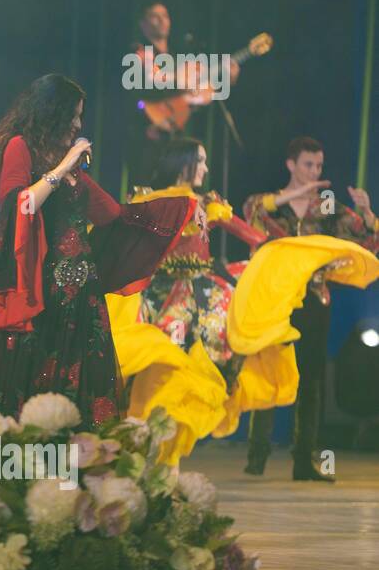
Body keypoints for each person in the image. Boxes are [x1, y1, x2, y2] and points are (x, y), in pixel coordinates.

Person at [0, 74, 194, 477]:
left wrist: (174, 214)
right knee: (30, 391)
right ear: (51, 113)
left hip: (81, 301)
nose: (78, 126)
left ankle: (75, 482)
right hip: (39, 297)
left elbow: (114, 215)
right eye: (73, 116)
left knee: (78, 395)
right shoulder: (22, 149)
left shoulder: (69, 165)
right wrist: (64, 166)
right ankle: (19, 478)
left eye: (80, 118)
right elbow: (20, 206)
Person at [106, 138, 296, 465]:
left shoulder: (206, 204)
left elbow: (257, 239)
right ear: (184, 164)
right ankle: (137, 450)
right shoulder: (151, 201)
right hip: (159, 299)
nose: (207, 168)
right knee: (160, 369)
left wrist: (282, 253)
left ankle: (167, 460)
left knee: (191, 374)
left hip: (202, 300)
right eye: (202, 161)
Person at [241, 136, 379, 481]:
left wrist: (366, 211)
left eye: (319, 165)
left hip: (315, 298)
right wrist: (293, 195)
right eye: (308, 165)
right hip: (277, 298)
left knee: (311, 377)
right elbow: (250, 210)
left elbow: (364, 237)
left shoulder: (325, 205)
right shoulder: (273, 204)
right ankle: (256, 455)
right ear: (291, 165)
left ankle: (304, 460)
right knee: (270, 368)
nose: (315, 171)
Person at [126, 2, 240, 187]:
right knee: (144, 189)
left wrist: (224, 80)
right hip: (146, 131)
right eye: (155, 16)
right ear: (143, 23)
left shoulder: (177, 56)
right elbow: (146, 83)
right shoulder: (139, 51)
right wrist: (182, 81)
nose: (162, 20)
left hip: (174, 132)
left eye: (165, 16)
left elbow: (196, 96)